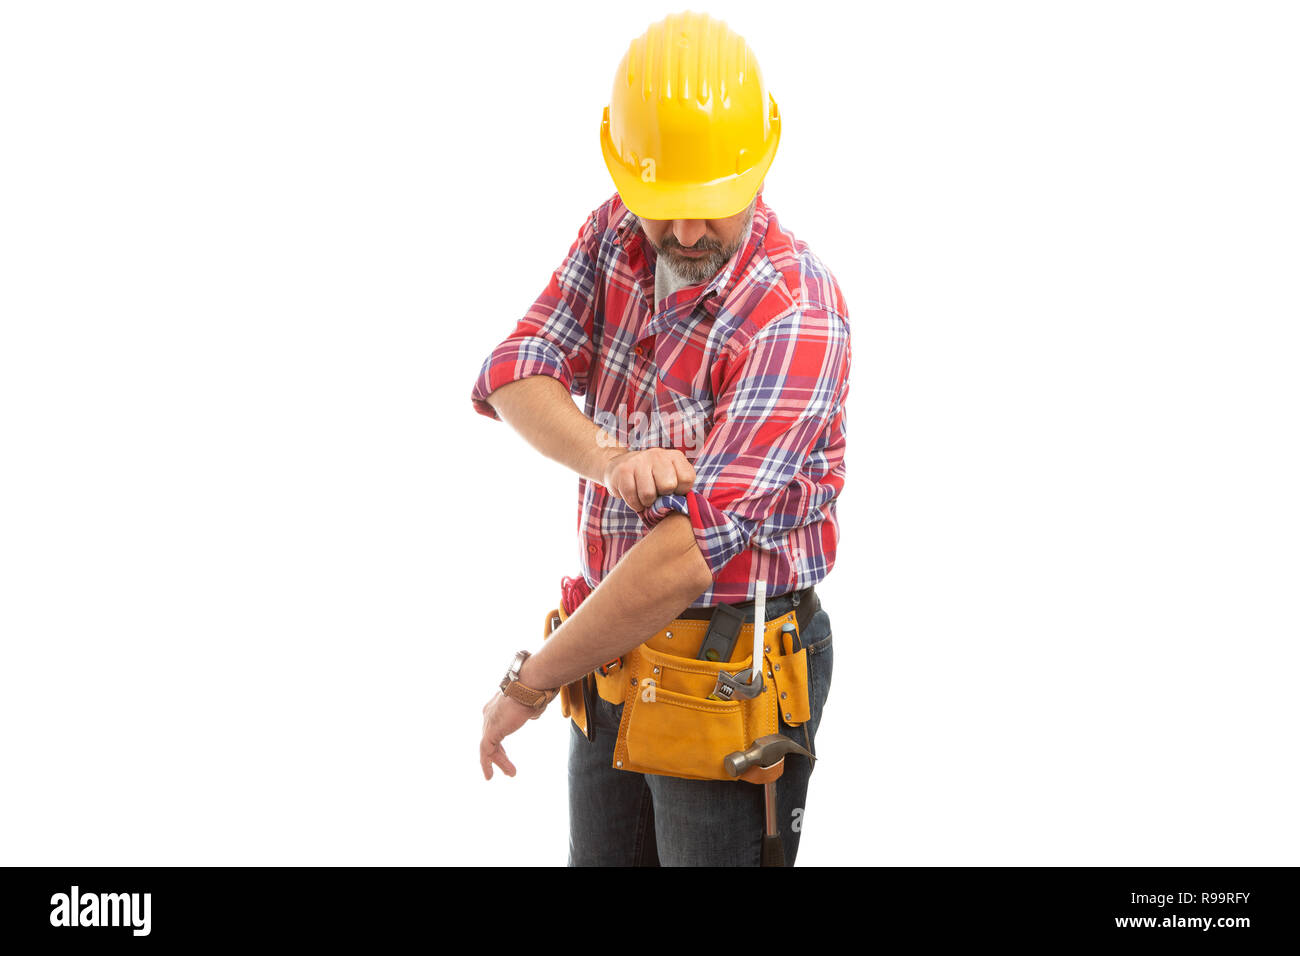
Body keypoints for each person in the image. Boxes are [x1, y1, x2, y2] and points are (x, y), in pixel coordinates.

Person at [470, 12, 850, 866]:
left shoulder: (795, 315)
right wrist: (608, 459)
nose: (683, 235)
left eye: (708, 209)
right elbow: (514, 369)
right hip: (609, 650)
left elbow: (681, 561)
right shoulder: (614, 232)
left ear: (757, 166)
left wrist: (529, 683)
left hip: (731, 669)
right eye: (662, 208)